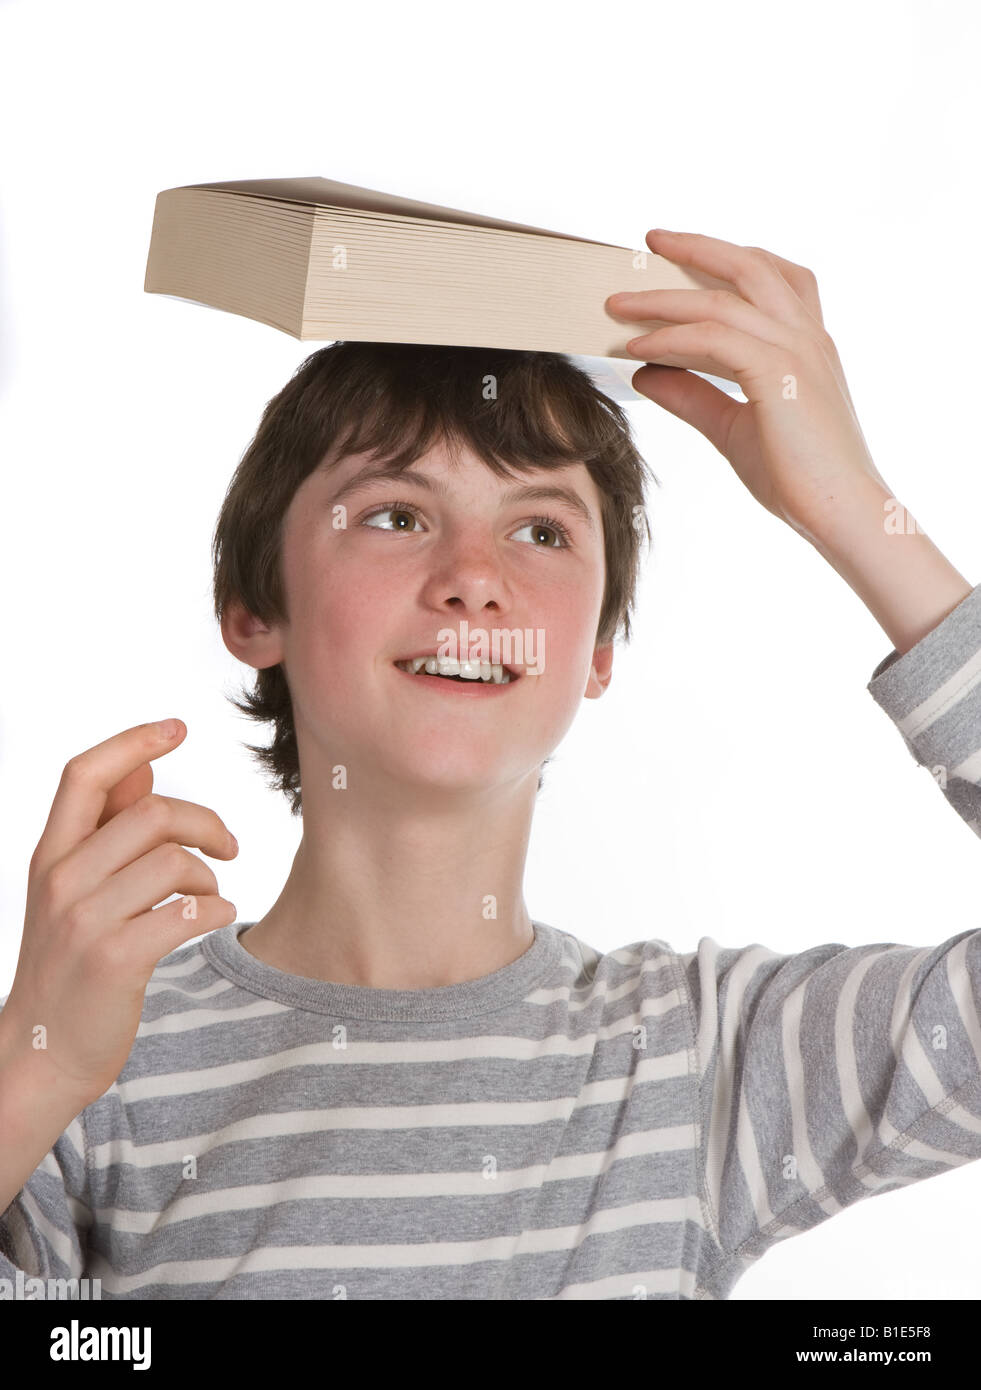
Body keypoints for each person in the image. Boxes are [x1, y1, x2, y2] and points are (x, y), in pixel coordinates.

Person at [1, 230, 978, 1301]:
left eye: (543, 532)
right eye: (395, 514)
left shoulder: (697, 1067)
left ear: (598, 650)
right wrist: (34, 1069)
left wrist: (852, 506)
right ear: (254, 606)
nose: (473, 579)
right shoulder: (95, 1064)